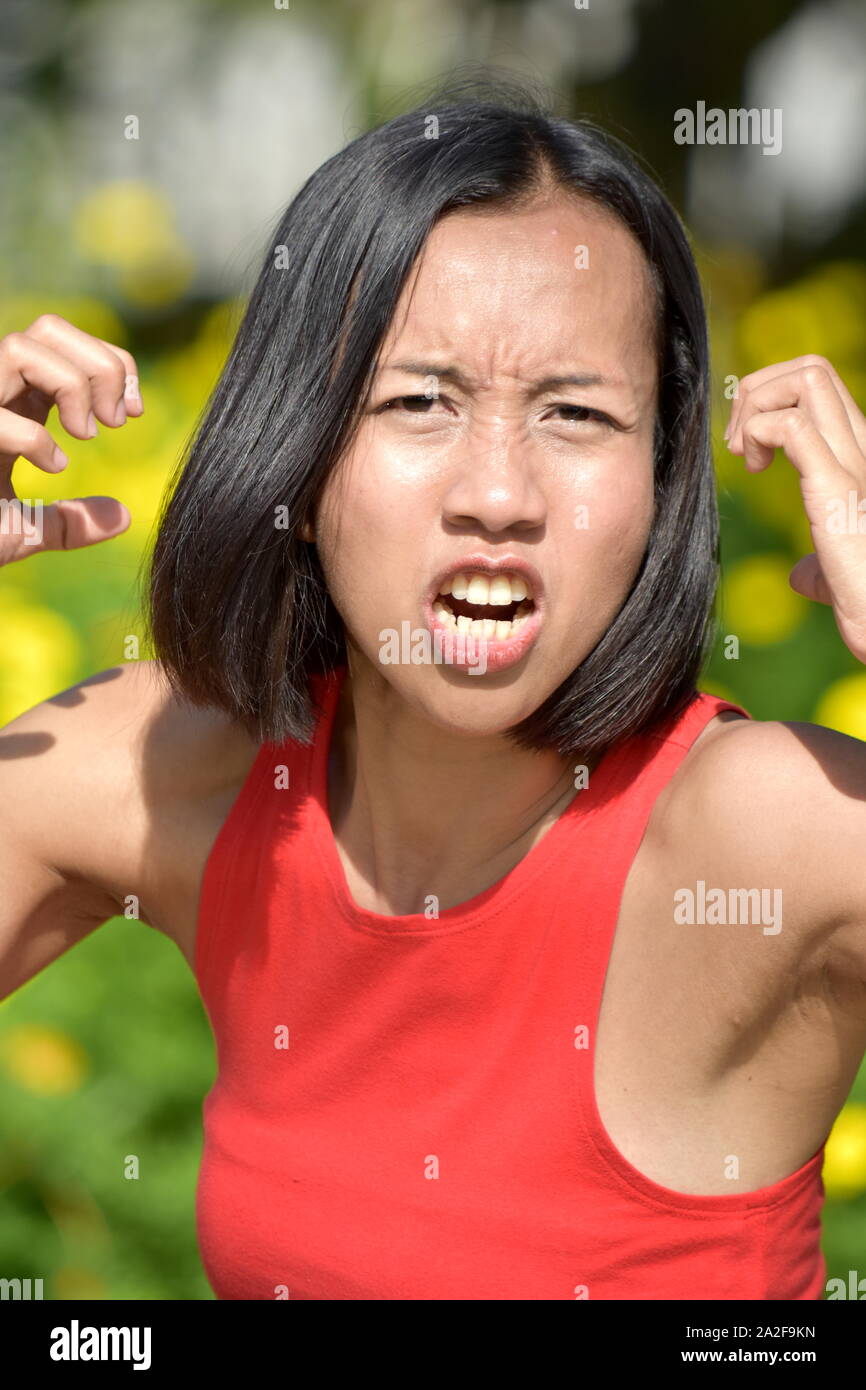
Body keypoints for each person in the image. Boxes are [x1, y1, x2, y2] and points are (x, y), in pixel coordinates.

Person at [2, 81, 865, 1301]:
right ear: (293, 442)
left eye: (576, 413)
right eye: (419, 401)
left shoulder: (759, 834)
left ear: (661, 477)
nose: (499, 495)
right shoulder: (170, 767)